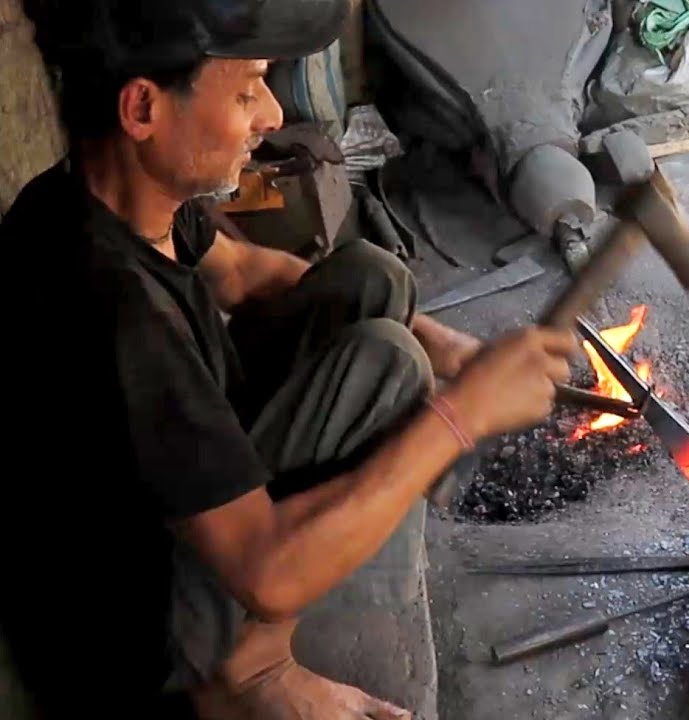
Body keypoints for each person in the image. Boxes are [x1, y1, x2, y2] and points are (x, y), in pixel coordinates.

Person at [0, 1, 577, 717]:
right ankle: (251, 671)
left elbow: (244, 272)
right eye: (246, 91)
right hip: (122, 631)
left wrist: (445, 342)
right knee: (386, 368)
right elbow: (266, 574)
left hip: (157, 500)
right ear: (143, 107)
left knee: (376, 280)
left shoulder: (118, 194)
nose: (271, 115)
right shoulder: (108, 308)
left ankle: (251, 654)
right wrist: (460, 417)